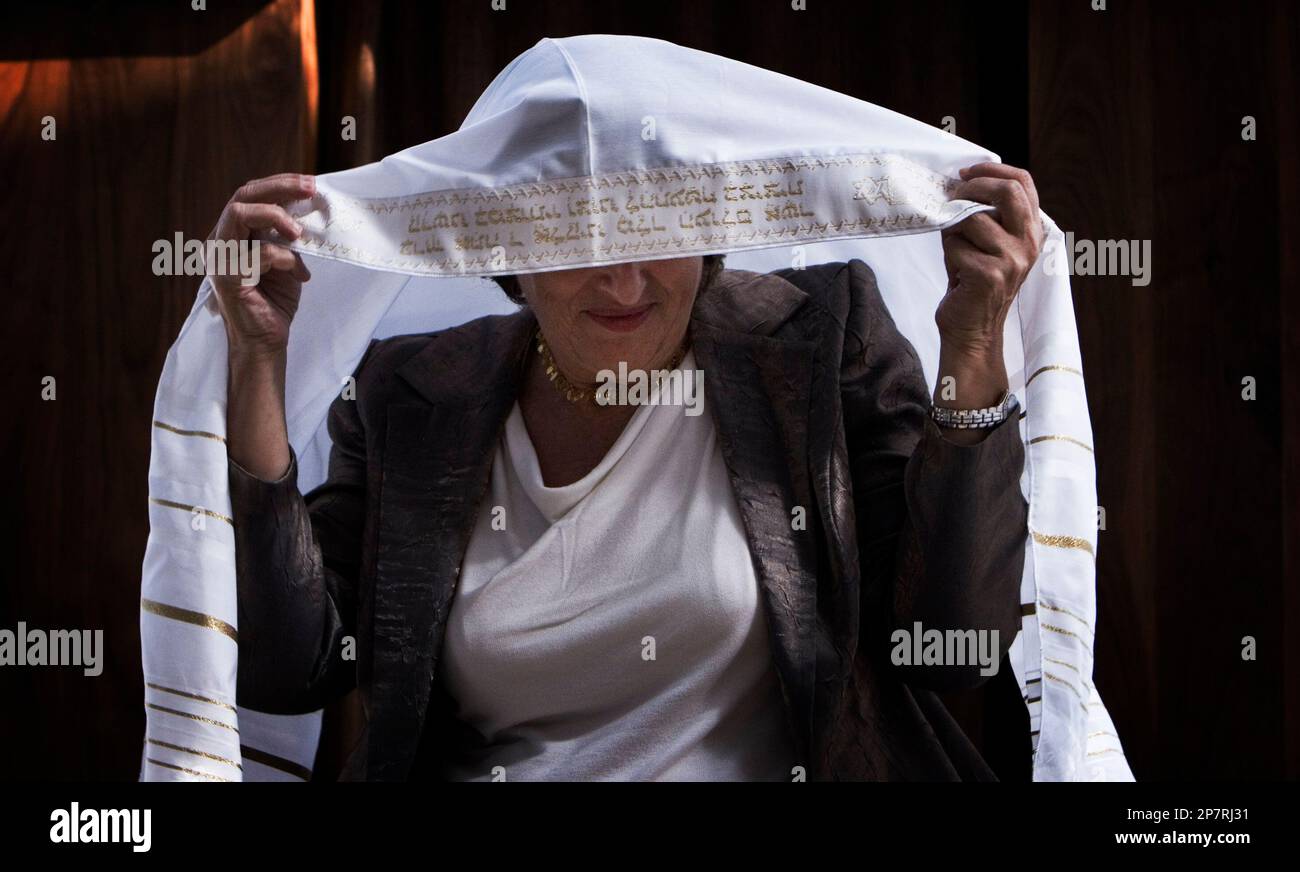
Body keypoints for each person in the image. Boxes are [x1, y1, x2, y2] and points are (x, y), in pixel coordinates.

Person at [211, 161, 1042, 780]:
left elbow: (948, 654)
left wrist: (971, 347)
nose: (623, 278)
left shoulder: (815, 344)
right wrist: (257, 360)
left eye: (656, 229)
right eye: (578, 236)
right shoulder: (411, 394)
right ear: (511, 244)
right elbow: (290, 670)